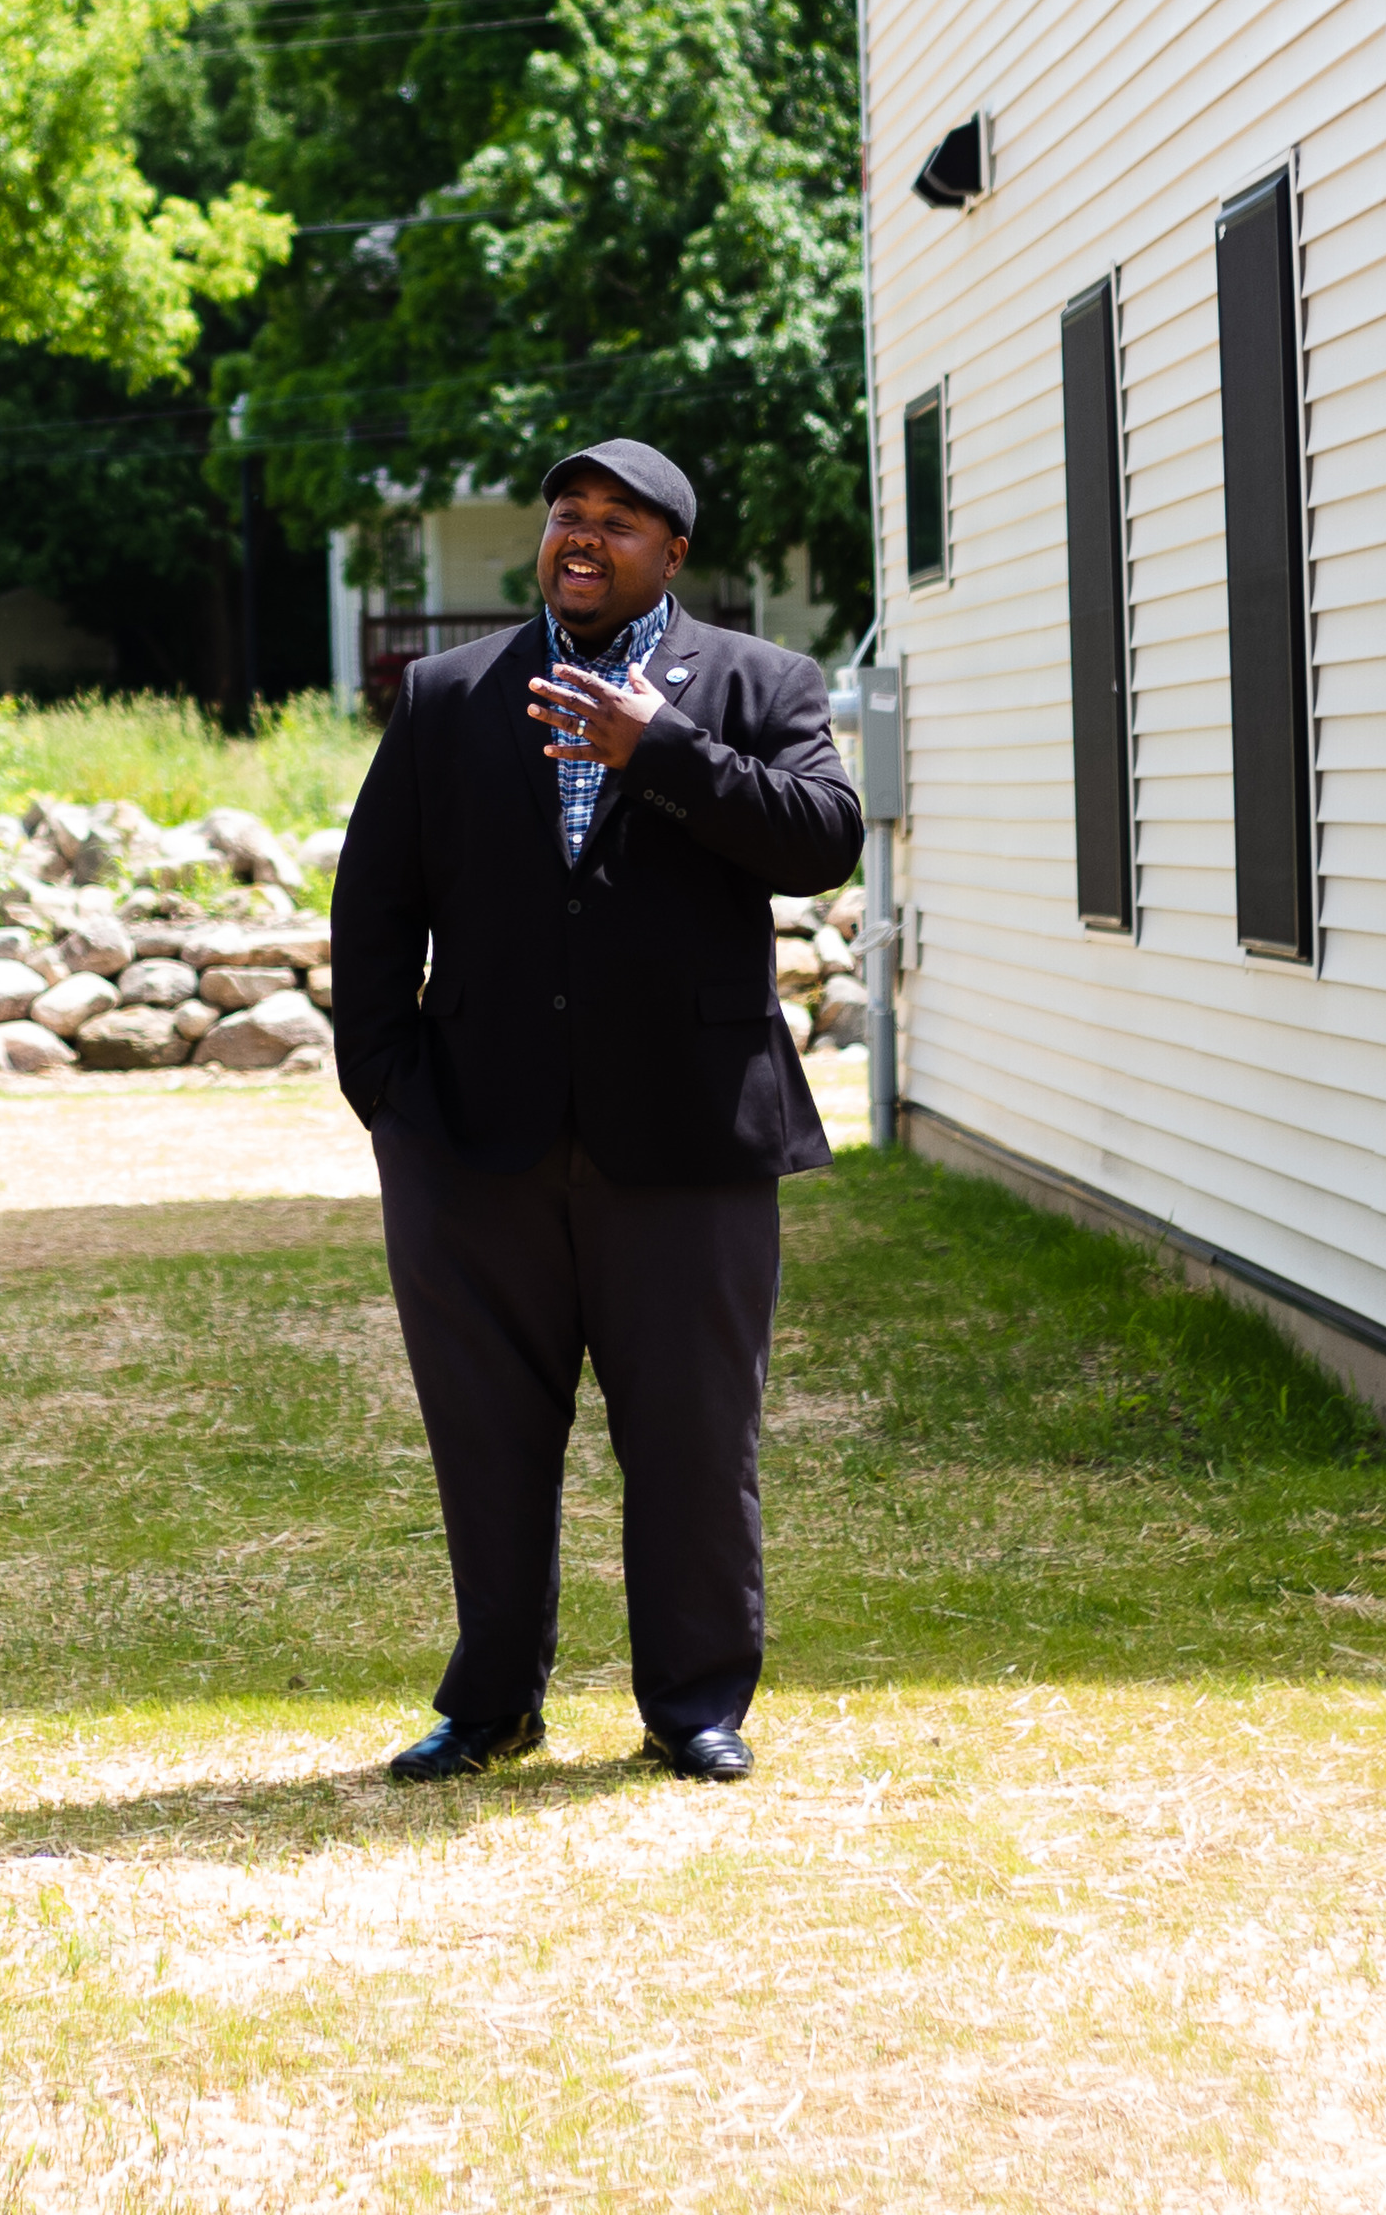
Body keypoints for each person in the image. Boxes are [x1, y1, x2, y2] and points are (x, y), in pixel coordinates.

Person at [329, 439, 865, 1785]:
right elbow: (377, 897)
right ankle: (492, 1704)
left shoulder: (760, 685)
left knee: (692, 1438)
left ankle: (694, 1707)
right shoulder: (450, 695)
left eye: (619, 521)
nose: (583, 535)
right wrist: (387, 1090)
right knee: (488, 1441)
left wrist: (662, 750)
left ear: (672, 554)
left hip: (688, 1136)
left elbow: (822, 839)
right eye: (568, 514)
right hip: (473, 1142)